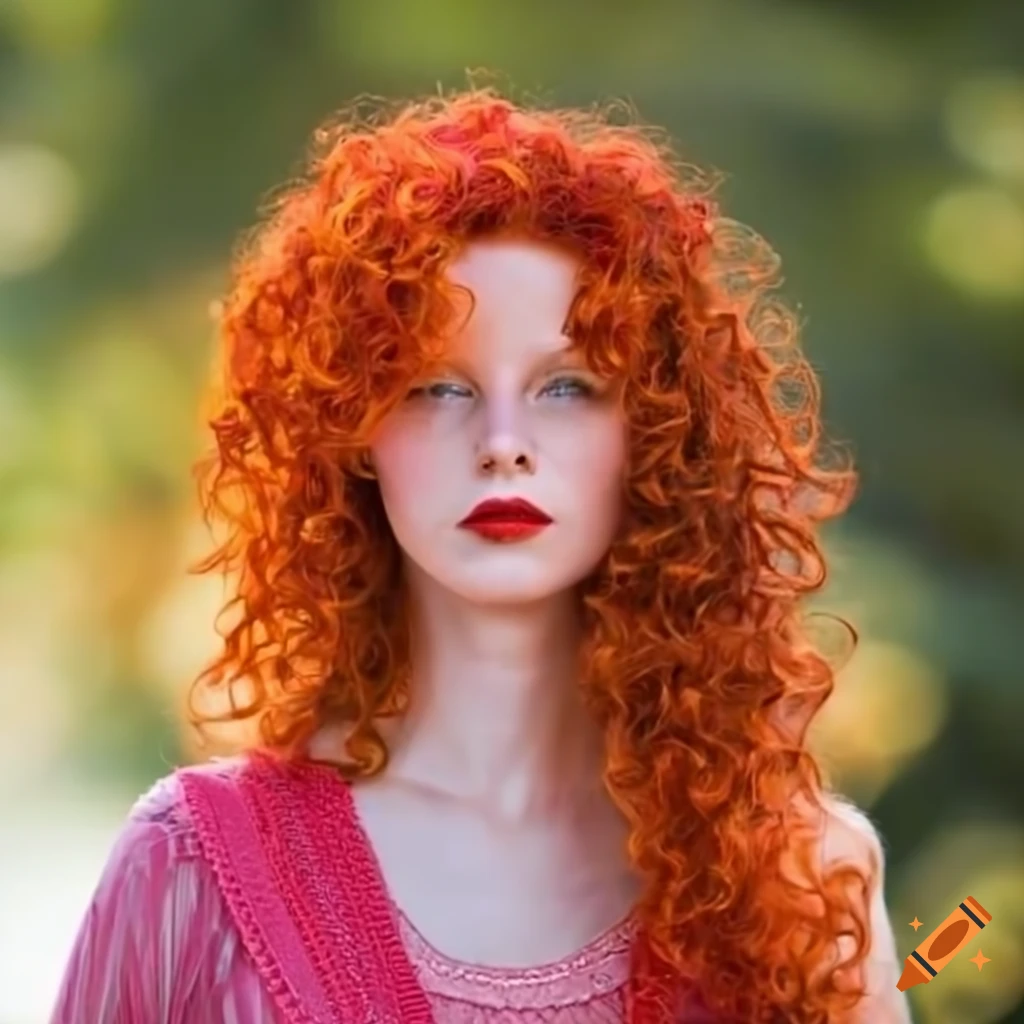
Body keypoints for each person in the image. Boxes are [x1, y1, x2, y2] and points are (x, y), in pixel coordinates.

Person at [49, 86, 913, 1023]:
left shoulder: (798, 878)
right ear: (352, 431)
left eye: (570, 385)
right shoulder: (192, 867)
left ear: (657, 436)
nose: (504, 441)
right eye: (436, 389)